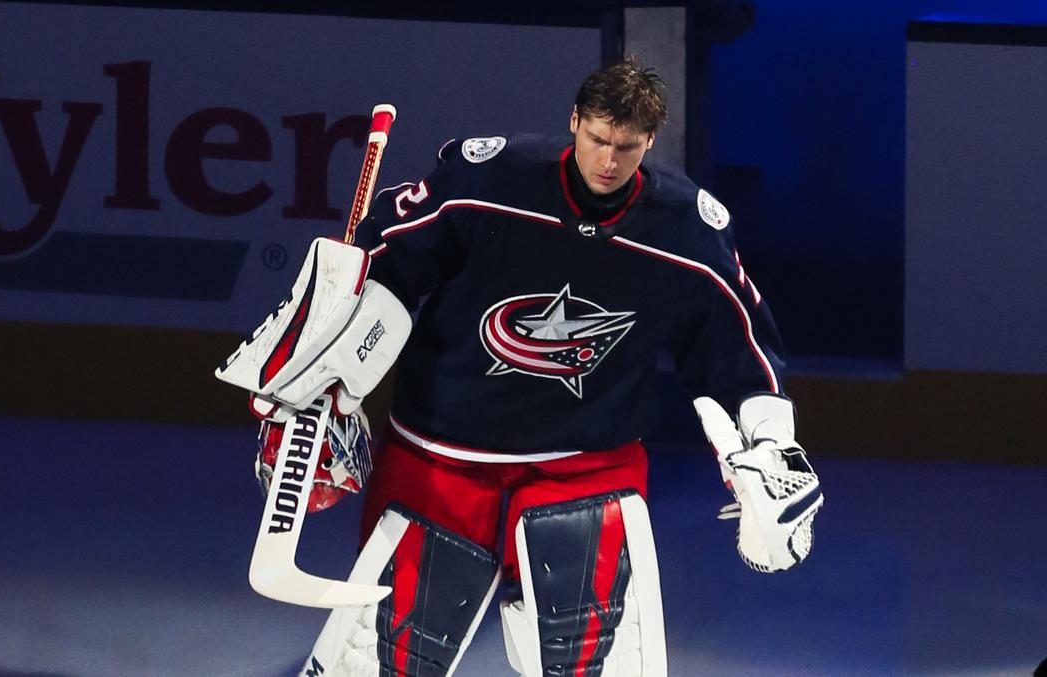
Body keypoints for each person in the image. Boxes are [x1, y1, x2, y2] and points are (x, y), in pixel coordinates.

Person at [222, 59, 823, 677]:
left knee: (599, 666)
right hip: (441, 456)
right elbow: (388, 261)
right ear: (574, 121)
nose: (608, 161)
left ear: (650, 141)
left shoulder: (687, 231)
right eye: (598, 139)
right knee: (381, 662)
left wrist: (773, 447)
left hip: (586, 467)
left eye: (626, 147)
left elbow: (740, 352)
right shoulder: (488, 178)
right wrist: (322, 362)